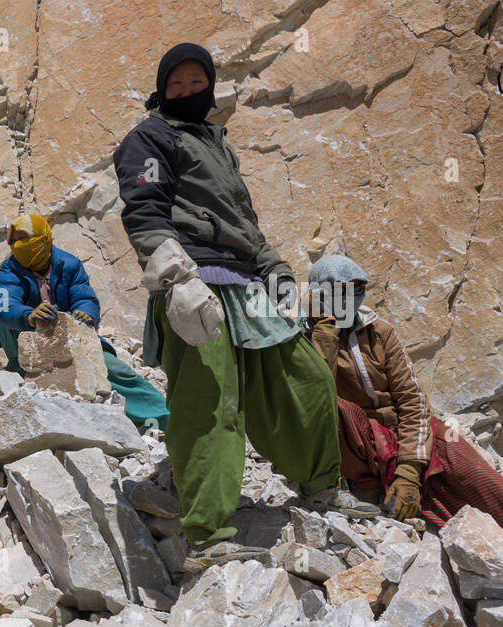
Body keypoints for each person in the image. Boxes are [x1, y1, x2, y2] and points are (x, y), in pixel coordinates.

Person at [112, 41, 380, 573]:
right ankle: (207, 534)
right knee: (211, 402)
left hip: (246, 283)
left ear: (209, 88)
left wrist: (276, 267)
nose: (187, 91)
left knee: (305, 378)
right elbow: (142, 209)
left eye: (196, 83)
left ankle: (320, 485)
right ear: (162, 90)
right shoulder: (150, 137)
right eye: (176, 84)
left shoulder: (217, 145)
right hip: (195, 282)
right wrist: (174, 278)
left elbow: (244, 222)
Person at [305, 254, 503, 528]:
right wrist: (325, 332)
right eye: (340, 291)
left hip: (400, 430)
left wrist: (410, 469)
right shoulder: (303, 338)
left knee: (468, 465)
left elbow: (412, 399)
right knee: (334, 407)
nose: (350, 297)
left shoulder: (380, 331)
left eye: (357, 289)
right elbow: (313, 396)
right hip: (355, 437)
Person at [0, 213, 170, 430]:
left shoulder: (68, 264)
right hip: (26, 338)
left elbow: (85, 298)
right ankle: (22, 368)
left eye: (23, 238)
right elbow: (2, 305)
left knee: (115, 371)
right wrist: (28, 315)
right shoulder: (10, 269)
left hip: (70, 338)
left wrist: (85, 315)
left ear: (44, 237)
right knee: (0, 317)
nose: (17, 245)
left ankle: (164, 416)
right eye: (13, 241)